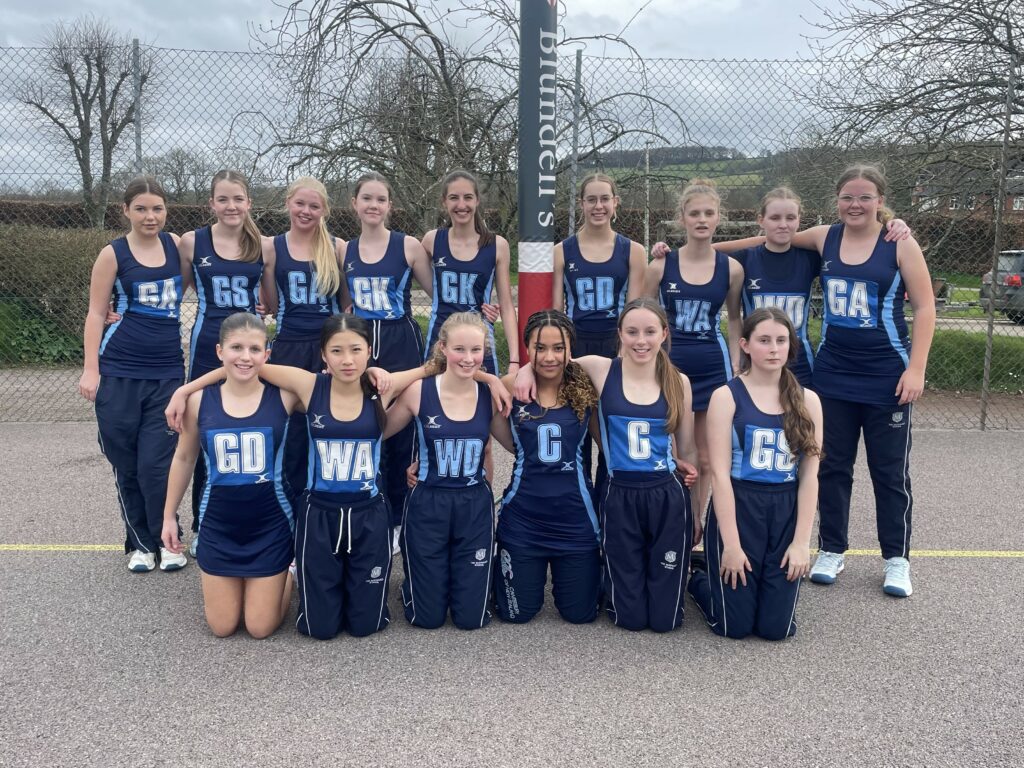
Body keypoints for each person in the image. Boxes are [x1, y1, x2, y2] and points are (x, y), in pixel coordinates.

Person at [518, 298, 699, 632]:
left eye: (649, 331)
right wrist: (524, 369)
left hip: (666, 494)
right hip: (620, 492)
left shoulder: (679, 382)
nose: (640, 340)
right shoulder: (601, 369)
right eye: (632, 332)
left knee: (665, 622)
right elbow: (554, 360)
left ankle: (697, 582)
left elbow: (688, 450)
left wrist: (697, 513)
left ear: (664, 334)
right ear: (620, 334)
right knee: (628, 619)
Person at [804, 165, 934, 597]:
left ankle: (896, 560)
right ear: (836, 200)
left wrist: (915, 368)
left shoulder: (900, 242)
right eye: (847, 197)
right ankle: (832, 549)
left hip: (887, 377)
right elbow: (770, 240)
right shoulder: (826, 237)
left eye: (864, 197)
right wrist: (689, 248)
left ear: (880, 200)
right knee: (832, 466)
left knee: (889, 472)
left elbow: (926, 308)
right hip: (834, 376)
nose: (855, 205)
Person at [687, 307, 823, 640]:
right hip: (739, 508)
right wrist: (731, 545)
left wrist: (801, 543)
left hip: (784, 512)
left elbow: (809, 477)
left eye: (781, 340)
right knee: (733, 628)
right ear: (746, 345)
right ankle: (697, 580)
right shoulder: (727, 396)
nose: (774, 348)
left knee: (777, 630)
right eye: (764, 340)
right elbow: (719, 475)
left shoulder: (808, 401)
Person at [161, 313, 295, 638]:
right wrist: (168, 517)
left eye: (254, 348)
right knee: (222, 627)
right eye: (236, 347)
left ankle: (289, 573)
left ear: (267, 354)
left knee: (259, 628)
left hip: (270, 524)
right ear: (220, 351)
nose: (245, 356)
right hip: (220, 525)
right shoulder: (198, 401)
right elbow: (183, 457)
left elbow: (323, 382)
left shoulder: (286, 396)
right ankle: (239, 581)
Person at [78, 175, 186, 573]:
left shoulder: (177, 247)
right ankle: (140, 543)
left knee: (156, 465)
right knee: (125, 462)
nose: (149, 215)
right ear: (125, 211)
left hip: (167, 373)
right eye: (140, 208)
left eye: (157, 208)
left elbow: (210, 279)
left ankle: (169, 539)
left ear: (166, 211)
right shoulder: (113, 254)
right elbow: (95, 312)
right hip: (119, 370)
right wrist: (92, 369)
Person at [383, 313, 499, 630]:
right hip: (428, 502)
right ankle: (418, 585)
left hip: (473, 505)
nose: (468, 358)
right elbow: (377, 431)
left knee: (471, 620)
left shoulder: (490, 395)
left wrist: (493, 379)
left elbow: (517, 446)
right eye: (459, 349)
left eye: (476, 350)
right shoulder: (419, 392)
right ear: (443, 348)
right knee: (427, 618)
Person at [489, 310, 602, 624]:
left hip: (576, 521)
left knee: (580, 615)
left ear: (570, 349)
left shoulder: (586, 384)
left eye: (558, 348)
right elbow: (470, 407)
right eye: (539, 348)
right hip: (524, 520)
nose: (549, 357)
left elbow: (609, 445)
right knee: (516, 614)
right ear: (528, 348)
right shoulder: (509, 386)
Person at [643, 179, 743, 520]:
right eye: (694, 213)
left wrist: (736, 362)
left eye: (709, 213)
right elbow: (640, 318)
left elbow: (734, 320)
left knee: (704, 456)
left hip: (712, 367)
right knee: (667, 449)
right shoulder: (661, 265)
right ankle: (667, 518)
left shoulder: (731, 269)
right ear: (682, 218)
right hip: (670, 365)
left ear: (718, 219)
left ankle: (695, 522)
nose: (702, 219)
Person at [343, 172, 434, 545]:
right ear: (354, 204)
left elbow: (440, 294)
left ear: (389, 206)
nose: (373, 205)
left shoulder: (408, 246)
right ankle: (368, 508)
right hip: (361, 343)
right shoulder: (343, 249)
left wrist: (482, 306)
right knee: (365, 424)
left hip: (400, 338)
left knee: (403, 428)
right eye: (367, 198)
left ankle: (399, 517)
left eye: (380, 199)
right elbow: (340, 304)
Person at [180, 170, 267, 555]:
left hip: (248, 352)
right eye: (223, 199)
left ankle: (256, 516)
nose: (231, 206)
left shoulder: (264, 245)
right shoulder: (191, 243)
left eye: (238, 199)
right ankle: (204, 521)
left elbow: (272, 302)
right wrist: (120, 307)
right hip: (207, 349)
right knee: (204, 435)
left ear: (249, 203)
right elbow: (171, 291)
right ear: (211, 204)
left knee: (253, 431)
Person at [552, 172, 647, 492]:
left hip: (614, 347)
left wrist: (625, 357)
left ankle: (610, 511)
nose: (598, 206)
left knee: (611, 432)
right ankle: (580, 517)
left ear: (615, 202)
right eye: (591, 199)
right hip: (576, 346)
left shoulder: (633, 251)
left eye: (604, 199)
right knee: (577, 434)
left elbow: (634, 313)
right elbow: (556, 315)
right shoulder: (562, 251)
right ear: (581, 204)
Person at [262, 176, 347, 508]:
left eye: (314, 206)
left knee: (329, 427)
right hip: (288, 347)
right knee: (293, 433)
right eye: (300, 204)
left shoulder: (337, 247)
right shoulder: (272, 246)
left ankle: (326, 503)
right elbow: (268, 303)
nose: (306, 211)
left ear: (324, 209)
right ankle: (292, 508)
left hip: (328, 349)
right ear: (288, 203)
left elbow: (347, 305)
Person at [422, 170, 517, 377]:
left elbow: (508, 307)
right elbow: (408, 276)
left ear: (477, 200)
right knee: (434, 401)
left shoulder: (497, 245)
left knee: (484, 403)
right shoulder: (431, 241)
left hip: (479, 341)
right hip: (441, 338)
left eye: (468, 197)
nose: (461, 205)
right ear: (444, 202)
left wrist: (515, 359)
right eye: (454, 198)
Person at [729, 187, 820, 388]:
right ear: (761, 220)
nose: (783, 225)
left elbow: (853, 242)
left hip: (800, 363)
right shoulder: (743, 259)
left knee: (800, 419)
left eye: (790, 218)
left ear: (799, 220)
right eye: (775, 218)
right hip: (754, 362)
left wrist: (892, 223)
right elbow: (734, 317)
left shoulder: (812, 258)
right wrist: (736, 362)